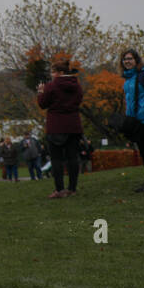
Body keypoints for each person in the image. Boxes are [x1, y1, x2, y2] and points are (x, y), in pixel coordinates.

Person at [37, 60, 83, 199]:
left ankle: (59, 189)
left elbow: (43, 104)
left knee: (57, 160)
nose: (52, 75)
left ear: (61, 73)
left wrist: (40, 92)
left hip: (56, 125)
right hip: (74, 125)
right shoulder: (77, 86)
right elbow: (79, 100)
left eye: (53, 72)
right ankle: (72, 188)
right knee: (72, 158)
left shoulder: (52, 86)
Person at [120, 49, 144, 192]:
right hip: (136, 122)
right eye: (125, 59)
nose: (127, 61)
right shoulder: (127, 80)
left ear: (136, 60)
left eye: (130, 58)